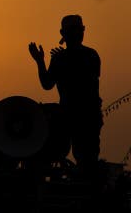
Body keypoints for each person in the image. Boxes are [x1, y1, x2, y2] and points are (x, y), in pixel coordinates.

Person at [28, 14, 102, 169]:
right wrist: (40, 61)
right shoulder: (61, 58)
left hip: (87, 116)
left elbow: (84, 81)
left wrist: (61, 59)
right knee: (55, 153)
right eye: (74, 29)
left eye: (81, 29)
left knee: (86, 159)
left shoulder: (90, 55)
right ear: (63, 34)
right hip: (68, 116)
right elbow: (47, 84)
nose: (79, 33)